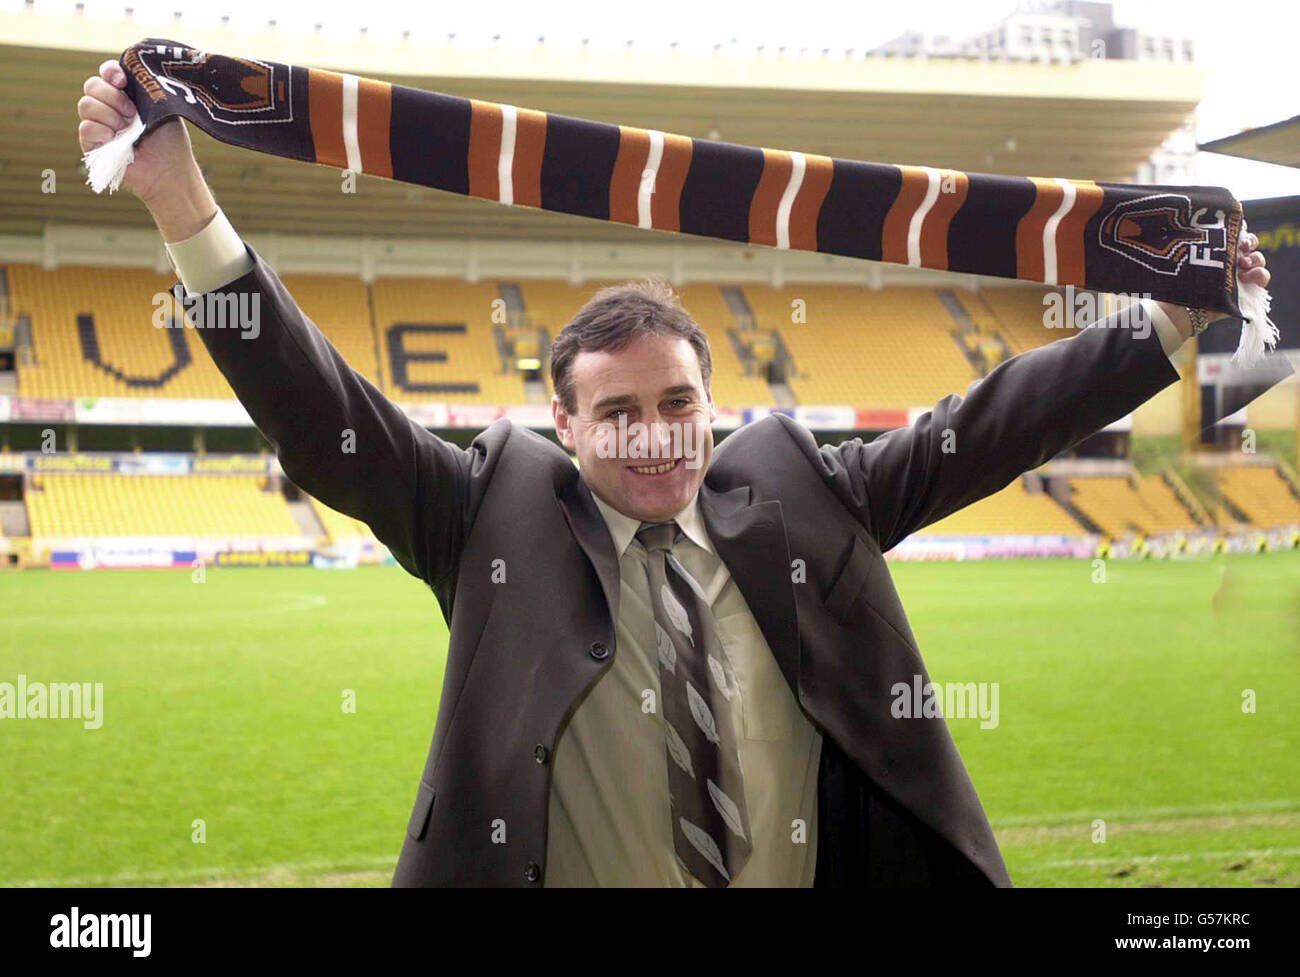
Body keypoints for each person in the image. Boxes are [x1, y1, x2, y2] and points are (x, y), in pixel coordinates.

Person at [78, 59, 1269, 887]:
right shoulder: (486, 509)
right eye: (618, 412)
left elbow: (994, 421)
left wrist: (1161, 321)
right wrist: (183, 200)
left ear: (715, 404)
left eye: (677, 403)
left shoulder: (805, 490)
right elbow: (316, 404)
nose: (653, 435)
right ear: (564, 420)